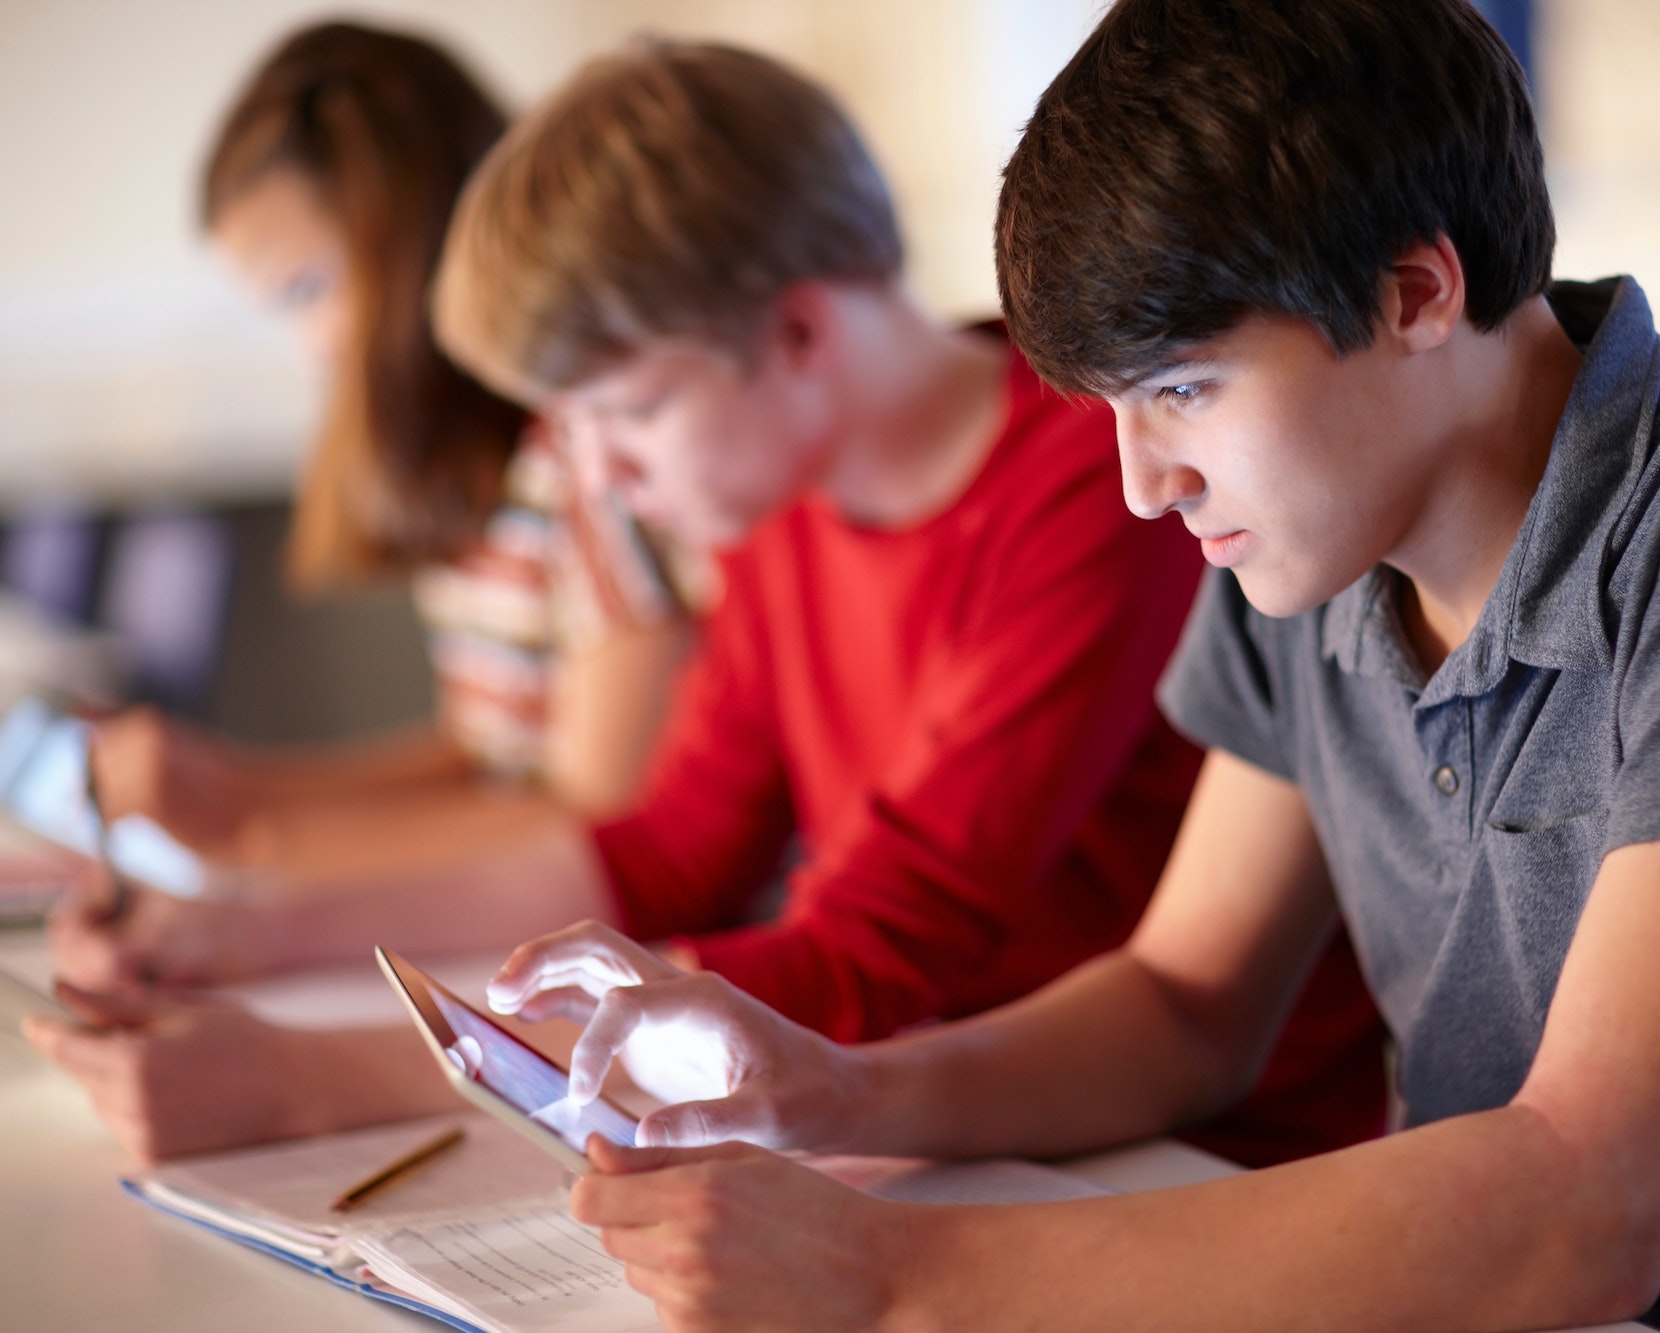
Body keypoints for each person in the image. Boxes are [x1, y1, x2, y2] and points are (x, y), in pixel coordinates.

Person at [467, 1, 1660, 1329]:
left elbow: (1585, 1199)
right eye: (1119, 411)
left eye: (1186, 390)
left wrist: (891, 1280)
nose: (1144, 484)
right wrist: (826, 1089)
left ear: (1415, 293)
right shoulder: (1324, 558)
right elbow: (1184, 1006)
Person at [33, 39, 1388, 1170]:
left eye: (627, 414)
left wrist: (321, 1080)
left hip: (1182, 1152)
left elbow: (881, 939)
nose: (604, 476)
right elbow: (668, 850)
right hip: (949, 1126)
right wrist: (241, 930)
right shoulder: (783, 501)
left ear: (799, 335)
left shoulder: (1087, 481)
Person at [85, 21, 696, 896]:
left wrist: (256, 841)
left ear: (407, 249)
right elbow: (484, 751)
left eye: (308, 289)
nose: (312, 350)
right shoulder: (471, 474)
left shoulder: (591, 455)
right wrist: (234, 790)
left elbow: (593, 804)